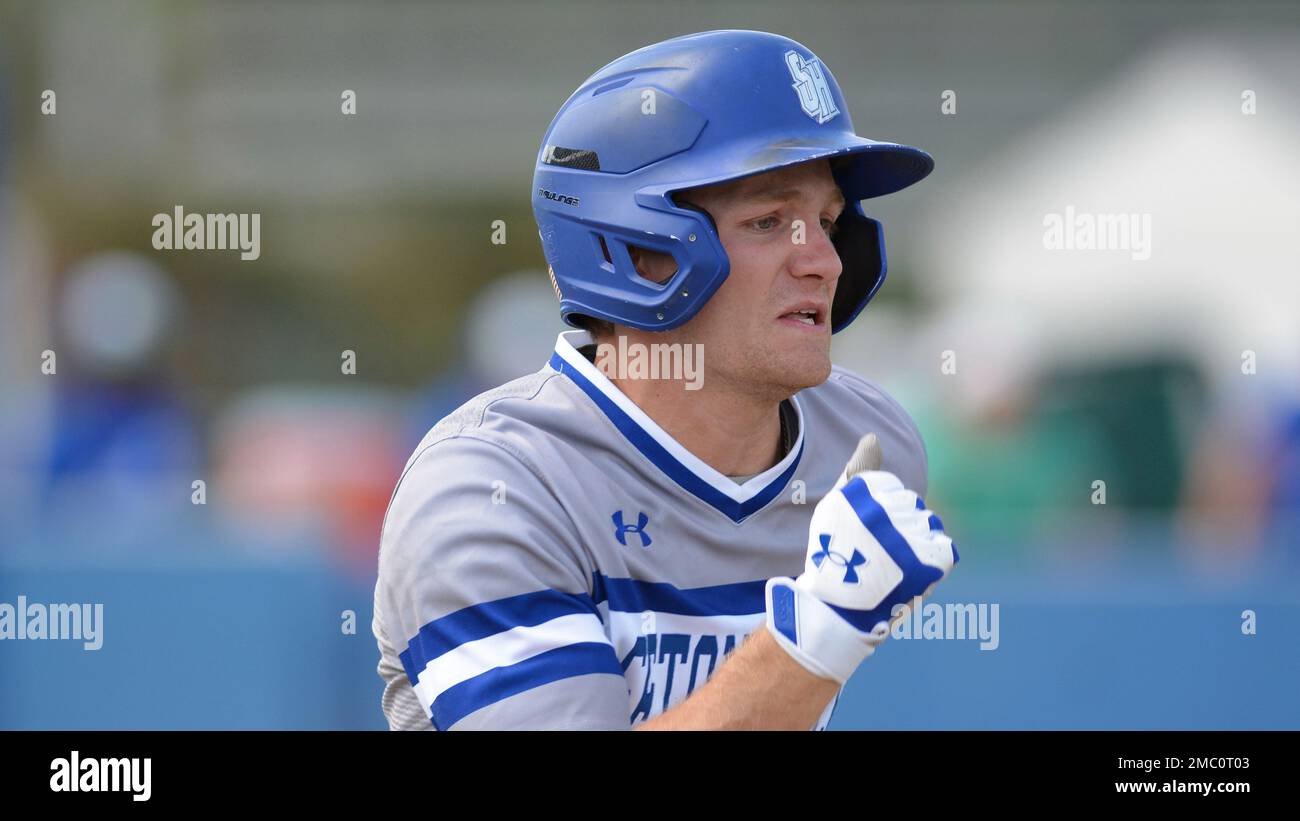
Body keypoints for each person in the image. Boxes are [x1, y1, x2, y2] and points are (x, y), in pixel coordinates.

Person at [373, 29, 957, 731]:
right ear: (637, 252)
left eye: (827, 222)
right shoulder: (492, 486)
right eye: (770, 220)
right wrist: (818, 633)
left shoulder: (868, 443)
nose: (825, 262)